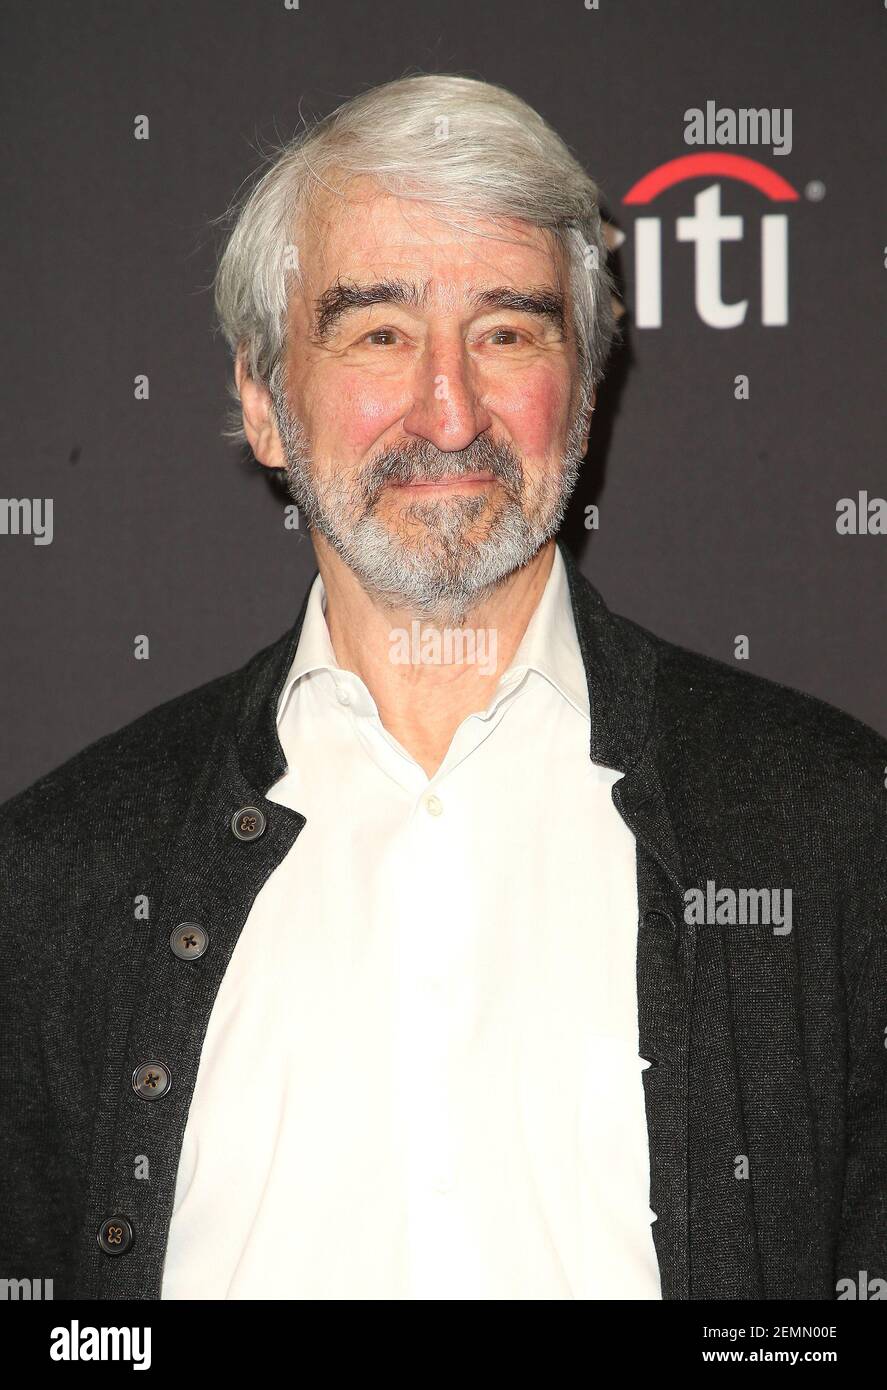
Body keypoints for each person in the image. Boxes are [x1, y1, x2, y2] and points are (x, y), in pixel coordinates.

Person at [1, 73, 884, 1301]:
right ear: (263, 402)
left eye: (506, 331)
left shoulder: (830, 832)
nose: (450, 409)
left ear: (583, 391)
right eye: (378, 331)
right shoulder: (62, 881)